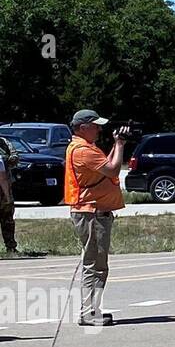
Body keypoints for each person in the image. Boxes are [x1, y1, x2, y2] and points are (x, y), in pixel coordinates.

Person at [64, 110, 128, 326]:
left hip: (92, 212)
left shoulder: (84, 148)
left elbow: (103, 168)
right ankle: (89, 312)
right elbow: (112, 170)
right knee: (95, 265)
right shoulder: (83, 150)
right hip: (91, 213)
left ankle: (91, 310)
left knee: (96, 263)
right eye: (95, 125)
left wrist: (116, 144)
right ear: (83, 128)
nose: (99, 129)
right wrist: (119, 146)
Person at [0, 132, 18, 253]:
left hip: (4, 187)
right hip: (4, 185)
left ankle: (10, 246)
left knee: (7, 219)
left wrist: (6, 160)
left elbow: (15, 158)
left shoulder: (4, 143)